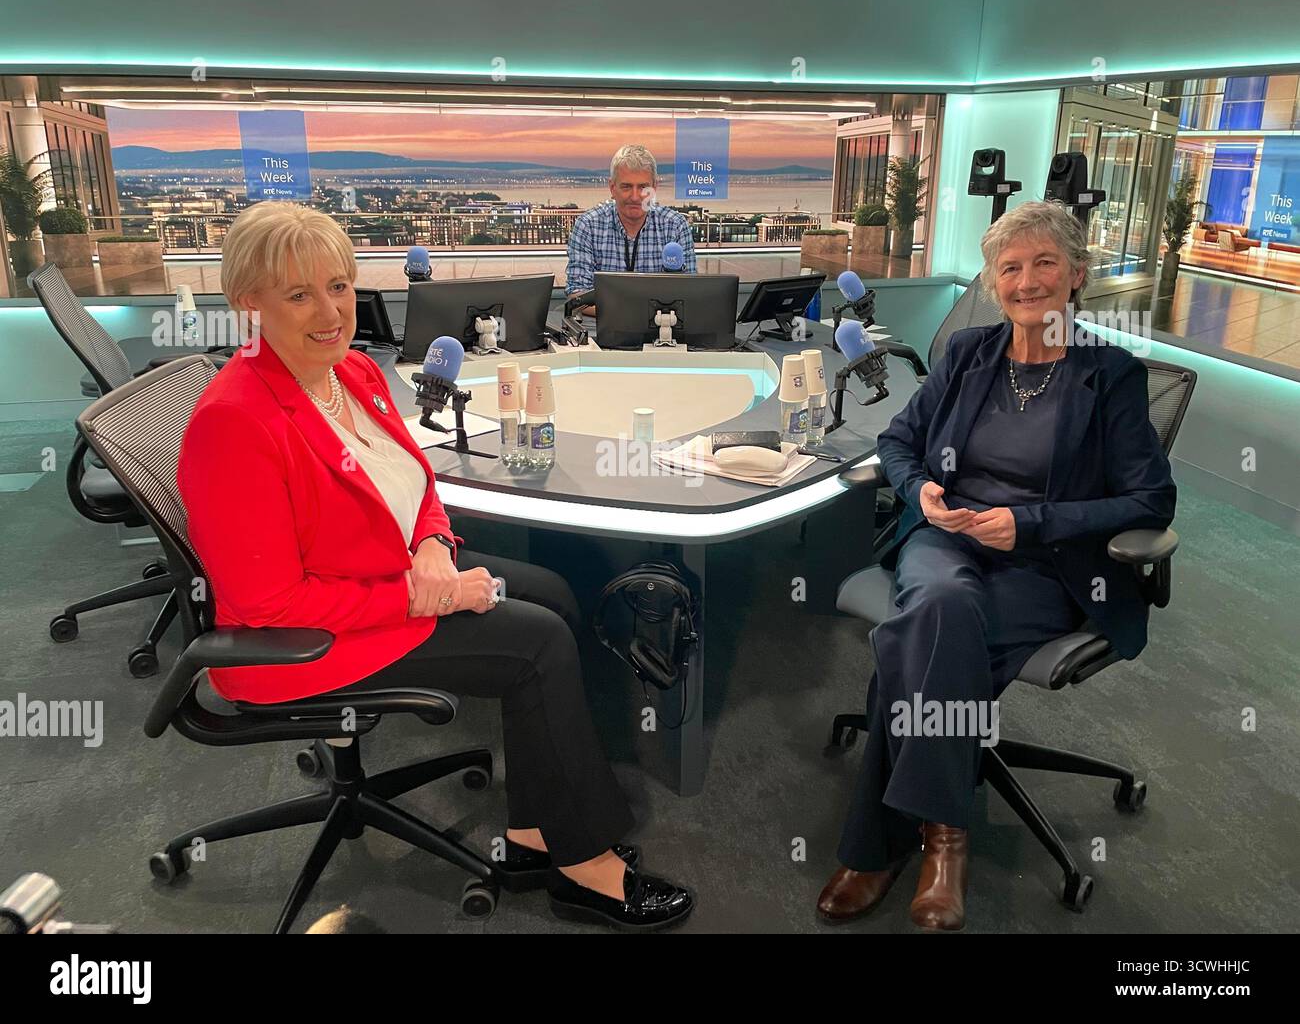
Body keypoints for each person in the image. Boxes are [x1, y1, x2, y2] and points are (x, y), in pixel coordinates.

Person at [177, 201, 694, 932]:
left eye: (340, 286)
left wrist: (432, 550)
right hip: (307, 639)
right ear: (248, 303)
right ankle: (583, 865)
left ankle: (532, 831)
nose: (330, 311)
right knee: (537, 643)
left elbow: (416, 482)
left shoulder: (348, 370)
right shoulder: (234, 421)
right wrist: (421, 600)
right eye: (299, 295)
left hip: (390, 570)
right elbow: (270, 602)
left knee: (552, 593)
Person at [816, 200, 1176, 930]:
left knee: (913, 639)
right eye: (1010, 267)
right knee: (939, 604)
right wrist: (920, 489)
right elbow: (897, 442)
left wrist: (1031, 522)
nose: (1027, 280)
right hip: (946, 541)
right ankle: (945, 837)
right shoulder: (967, 355)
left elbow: (1151, 500)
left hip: (1045, 565)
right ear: (992, 281)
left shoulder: (1109, 375)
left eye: (1045, 263)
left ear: (1076, 276)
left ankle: (883, 847)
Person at [565, 144, 697, 316]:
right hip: (602, 334)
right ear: (612, 188)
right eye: (626, 187)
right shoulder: (587, 226)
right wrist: (634, 312)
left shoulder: (676, 226)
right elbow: (577, 297)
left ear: (654, 188)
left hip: (663, 334)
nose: (635, 197)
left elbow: (691, 294)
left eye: (643, 187)